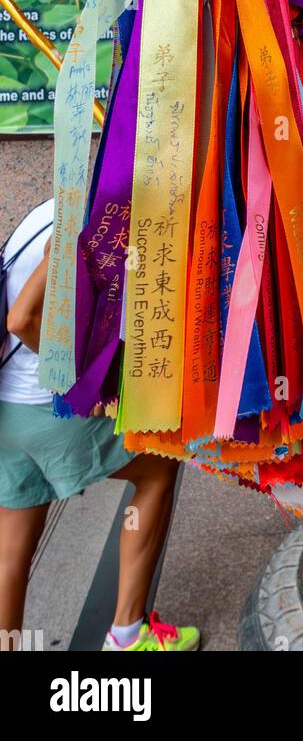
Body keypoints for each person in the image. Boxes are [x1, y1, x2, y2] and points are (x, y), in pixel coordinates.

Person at [0, 200, 200, 651]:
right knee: (159, 468)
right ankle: (128, 634)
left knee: (11, 551)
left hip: (6, 412)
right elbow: (23, 319)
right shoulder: (92, 213)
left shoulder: (58, 199)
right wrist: (78, 384)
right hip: (44, 408)